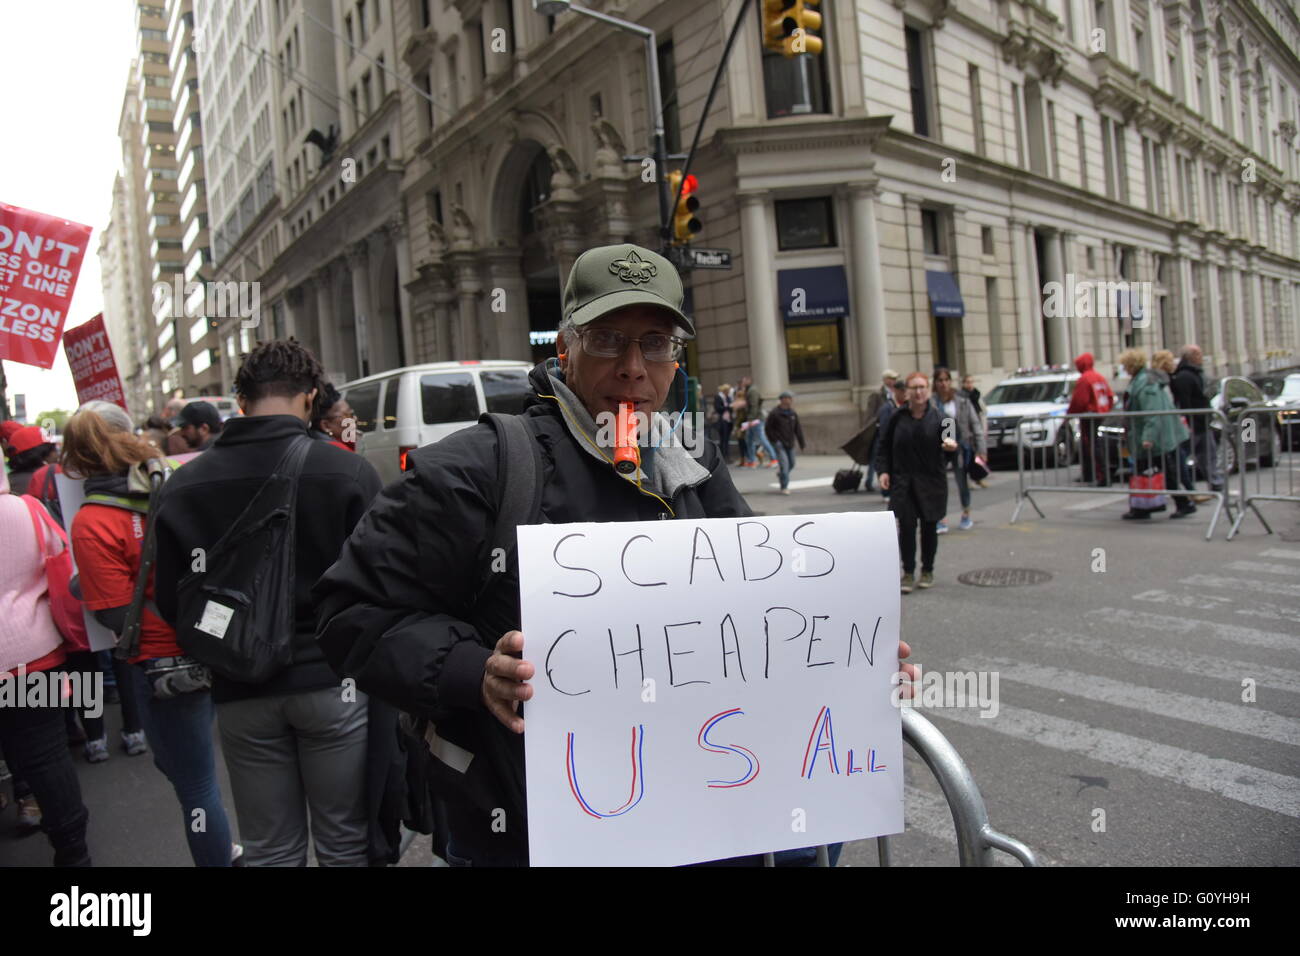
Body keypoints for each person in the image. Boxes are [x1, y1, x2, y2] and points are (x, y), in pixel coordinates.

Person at [314, 242, 917, 867]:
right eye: (608, 340)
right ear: (564, 349)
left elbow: (765, 618)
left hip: (706, 820)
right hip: (531, 833)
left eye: (656, 344)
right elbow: (348, 611)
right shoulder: (482, 466)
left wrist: (851, 669)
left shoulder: (695, 463)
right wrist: (473, 672)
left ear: (675, 358)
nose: (634, 367)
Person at [152, 340, 383, 867]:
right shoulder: (347, 473)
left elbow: (172, 599)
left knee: (269, 848)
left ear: (240, 399)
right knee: (345, 841)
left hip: (241, 688)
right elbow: (383, 586)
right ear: (310, 397)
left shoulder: (184, 486)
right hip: (333, 681)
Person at [60, 400, 235, 866]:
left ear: (76, 459)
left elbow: (117, 616)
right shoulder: (180, 482)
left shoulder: (92, 521)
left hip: (162, 664)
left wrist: (83, 585)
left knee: (195, 786)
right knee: (184, 769)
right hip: (215, 642)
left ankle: (220, 855)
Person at [0, 458, 93, 866]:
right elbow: (64, 563)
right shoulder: (29, 509)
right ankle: (73, 854)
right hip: (32, 656)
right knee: (47, 756)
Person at [880, 372, 954, 593]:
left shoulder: (944, 418)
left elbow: (952, 446)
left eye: (922, 387)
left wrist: (951, 447)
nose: (919, 392)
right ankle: (908, 572)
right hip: (904, 482)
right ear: (907, 392)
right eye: (914, 388)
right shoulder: (896, 417)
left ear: (928, 389)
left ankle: (928, 570)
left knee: (930, 526)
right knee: (907, 527)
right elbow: (883, 445)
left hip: (931, 481)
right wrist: (883, 471)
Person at [1118, 349, 1193, 520]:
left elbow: (1152, 413)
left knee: (1159, 471)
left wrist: (1147, 437)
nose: (1124, 368)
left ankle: (1174, 504)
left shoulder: (1145, 382)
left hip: (1154, 437)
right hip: (1152, 436)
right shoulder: (1142, 380)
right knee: (1156, 470)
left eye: (1125, 365)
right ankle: (1145, 505)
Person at [930, 368, 984, 532]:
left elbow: (975, 423)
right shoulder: (931, 401)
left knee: (962, 482)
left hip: (960, 446)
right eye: (940, 380)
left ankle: (966, 513)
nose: (943, 383)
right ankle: (941, 518)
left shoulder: (961, 400)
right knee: (939, 483)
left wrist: (982, 449)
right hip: (939, 447)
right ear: (935, 383)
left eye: (946, 380)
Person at [1170, 344, 1223, 495]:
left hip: (1202, 423)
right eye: (1199, 354)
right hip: (1193, 424)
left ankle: (1215, 484)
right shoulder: (1185, 376)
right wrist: (1190, 421)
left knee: (1209, 456)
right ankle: (1176, 485)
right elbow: (1185, 402)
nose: (1202, 357)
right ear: (1191, 357)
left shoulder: (1196, 374)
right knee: (1181, 456)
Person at [1067, 352, 1116, 486]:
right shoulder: (1099, 376)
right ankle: (1093, 474)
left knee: (1092, 446)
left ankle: (1101, 476)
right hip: (1099, 414)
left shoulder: (1085, 378)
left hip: (1090, 415)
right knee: (1094, 445)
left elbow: (1079, 401)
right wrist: (1106, 409)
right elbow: (1110, 396)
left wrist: (1069, 414)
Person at [862, 370, 898, 492]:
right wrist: (869, 428)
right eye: (892, 378)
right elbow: (870, 413)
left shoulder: (896, 393)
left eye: (895, 378)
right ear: (885, 380)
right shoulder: (877, 394)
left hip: (892, 430)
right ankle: (870, 481)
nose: (894, 381)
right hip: (878, 430)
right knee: (876, 456)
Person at [873, 379, 909, 499]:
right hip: (891, 448)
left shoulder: (909, 407)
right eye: (903, 391)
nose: (905, 394)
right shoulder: (888, 409)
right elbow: (883, 436)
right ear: (896, 391)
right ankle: (886, 492)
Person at [766, 390, 806, 495]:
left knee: (792, 463)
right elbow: (768, 428)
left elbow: (798, 429)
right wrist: (775, 440)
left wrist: (802, 443)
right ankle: (784, 486)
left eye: (790, 398)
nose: (789, 401)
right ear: (782, 400)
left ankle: (781, 474)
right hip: (780, 444)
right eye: (787, 398)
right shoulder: (775, 413)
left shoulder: (793, 413)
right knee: (784, 464)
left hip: (790, 443)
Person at [4, 426, 59, 497]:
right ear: (41, 453)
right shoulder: (53, 479)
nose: (57, 454)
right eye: (53, 448)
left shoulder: (6, 484)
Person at [738, 376, 778, 468]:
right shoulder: (749, 390)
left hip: (756, 419)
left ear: (749, 381)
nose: (743, 382)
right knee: (749, 439)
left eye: (744, 380)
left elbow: (754, 405)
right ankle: (752, 461)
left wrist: (751, 419)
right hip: (753, 419)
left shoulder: (752, 390)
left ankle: (773, 458)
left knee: (761, 438)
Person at [311, 382, 356, 452]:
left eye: (352, 413)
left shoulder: (313, 445)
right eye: (347, 415)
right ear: (326, 426)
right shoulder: (338, 453)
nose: (354, 419)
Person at [713, 383, 734, 465]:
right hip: (721, 421)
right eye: (728, 390)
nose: (729, 392)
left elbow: (730, 407)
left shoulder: (728, 397)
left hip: (728, 420)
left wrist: (730, 407)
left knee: (727, 439)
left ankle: (727, 456)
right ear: (724, 390)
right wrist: (728, 407)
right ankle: (723, 457)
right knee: (723, 439)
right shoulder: (718, 397)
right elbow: (718, 408)